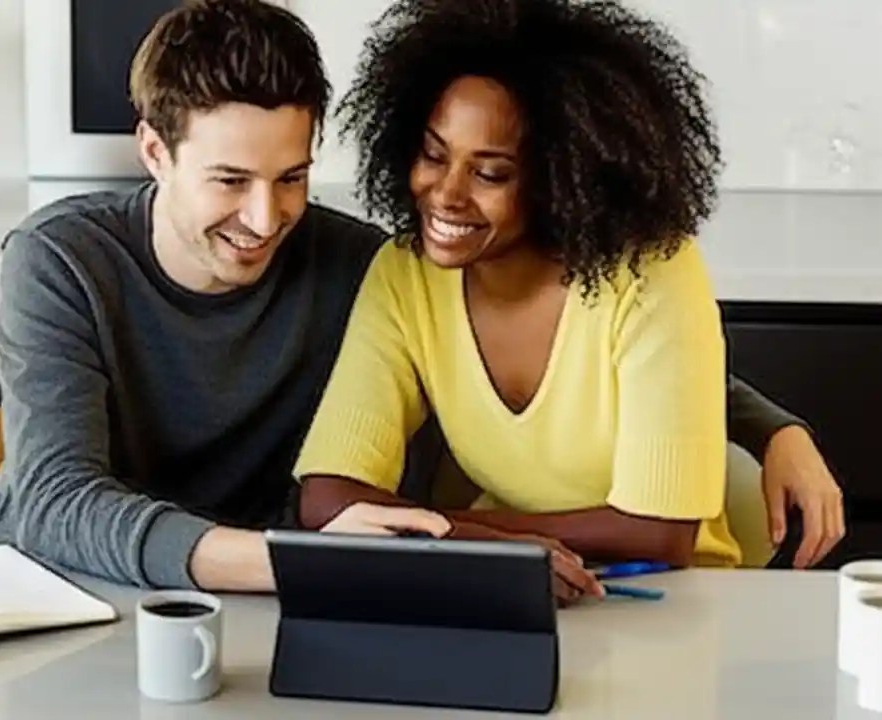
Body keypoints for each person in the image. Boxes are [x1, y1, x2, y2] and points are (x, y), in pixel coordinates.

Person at [0, 0, 843, 592]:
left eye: (294, 177)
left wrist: (772, 426)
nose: (266, 219)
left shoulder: (356, 263)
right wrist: (305, 560)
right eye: (229, 179)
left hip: (253, 608)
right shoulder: (61, 261)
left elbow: (609, 344)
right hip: (64, 591)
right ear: (154, 151)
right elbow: (55, 499)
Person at [292, 0, 844, 602]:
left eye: (491, 174)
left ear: (561, 179)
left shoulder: (649, 272)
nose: (445, 194)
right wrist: (476, 544)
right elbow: (327, 497)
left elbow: (660, 534)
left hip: (668, 603)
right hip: (498, 586)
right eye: (433, 154)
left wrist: (443, 534)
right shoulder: (405, 275)